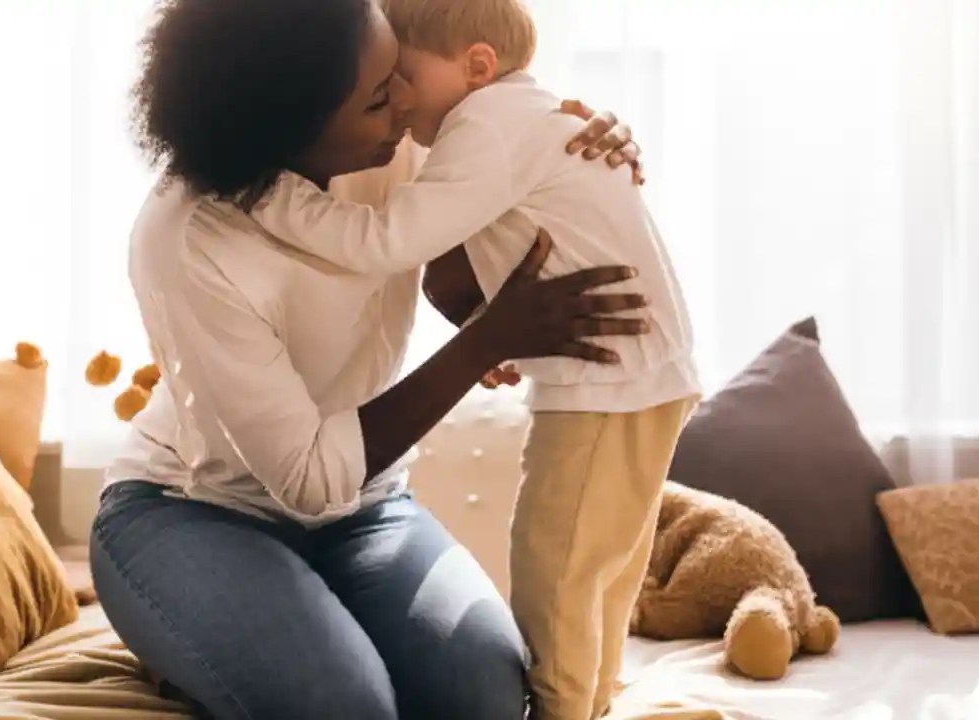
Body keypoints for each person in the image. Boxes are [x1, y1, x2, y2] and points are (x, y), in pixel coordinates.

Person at [90, 1, 649, 718]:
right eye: (381, 96)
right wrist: (483, 342)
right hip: (191, 511)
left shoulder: (392, 140)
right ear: (287, 127)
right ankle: (206, 636)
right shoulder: (190, 238)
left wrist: (579, 137)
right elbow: (309, 480)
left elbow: (481, 194)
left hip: (367, 509)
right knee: (343, 705)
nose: (406, 103)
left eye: (400, 75)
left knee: (484, 695)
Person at [245, 1, 701, 717]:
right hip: (648, 378)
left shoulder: (485, 124)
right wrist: (479, 321)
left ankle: (561, 708)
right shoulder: (529, 114)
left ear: (477, 67)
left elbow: (390, 241)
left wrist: (275, 202)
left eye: (403, 77)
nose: (394, 96)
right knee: (603, 572)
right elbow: (452, 264)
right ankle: (595, 698)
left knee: (556, 571)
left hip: (602, 387)